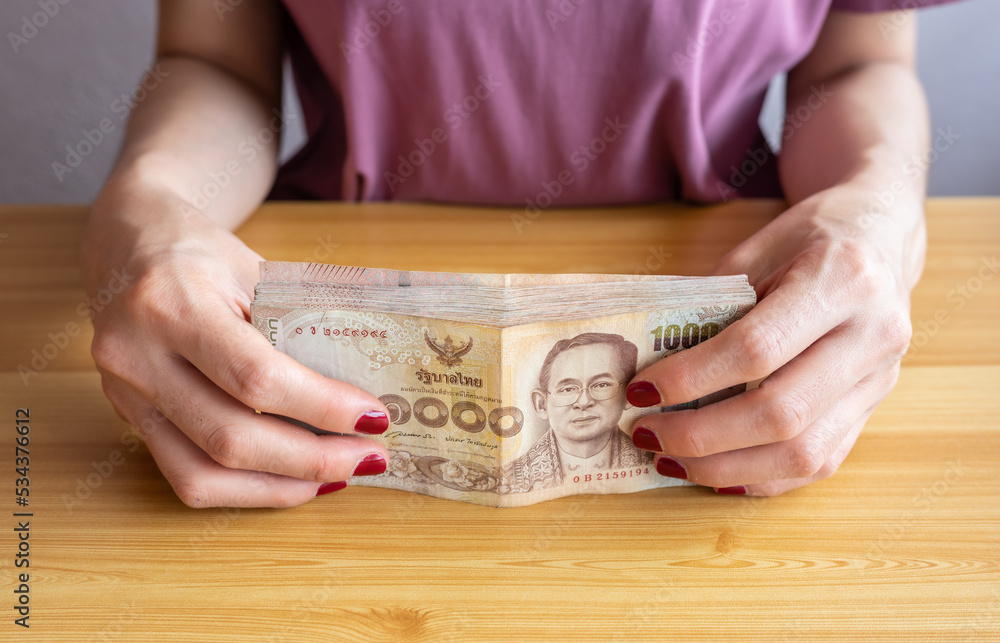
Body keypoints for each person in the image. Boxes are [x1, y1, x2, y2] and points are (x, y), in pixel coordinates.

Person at [82, 0, 962, 508]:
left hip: (747, 325)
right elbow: (216, 58)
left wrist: (877, 212)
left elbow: (857, 63)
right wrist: (151, 208)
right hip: (305, 348)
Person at [503, 333, 651, 493]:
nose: (584, 402)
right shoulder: (508, 480)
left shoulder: (652, 465)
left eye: (601, 385)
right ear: (541, 404)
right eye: (567, 389)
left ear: (628, 394)